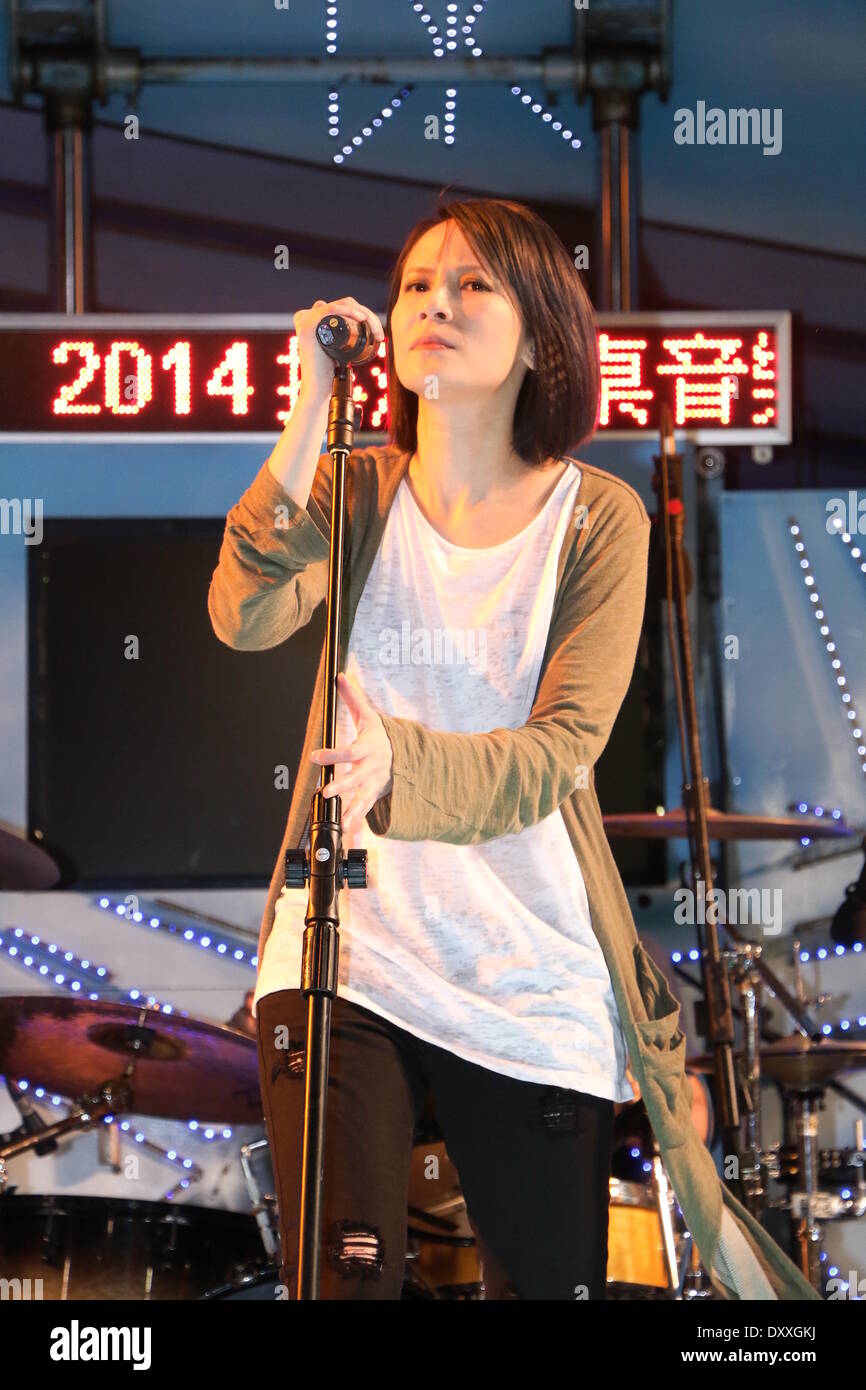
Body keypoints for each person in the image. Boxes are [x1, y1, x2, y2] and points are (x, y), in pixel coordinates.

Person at [209, 197, 817, 1302]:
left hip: (527, 969)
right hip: (346, 944)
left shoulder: (597, 519)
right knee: (337, 1284)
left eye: (472, 284)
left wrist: (400, 762)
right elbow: (243, 613)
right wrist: (311, 406)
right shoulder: (354, 490)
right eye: (414, 285)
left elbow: (557, 751)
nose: (432, 303)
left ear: (539, 336)